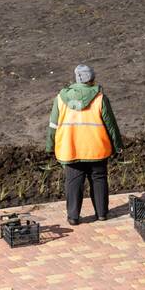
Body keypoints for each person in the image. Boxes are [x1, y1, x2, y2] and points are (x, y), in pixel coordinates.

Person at [46, 65, 122, 225]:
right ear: (92, 78)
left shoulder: (60, 98)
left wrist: (49, 145)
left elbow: (53, 125)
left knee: (73, 182)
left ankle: (73, 217)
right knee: (99, 179)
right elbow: (111, 125)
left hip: (70, 148)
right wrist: (117, 146)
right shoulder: (100, 98)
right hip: (96, 148)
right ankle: (101, 213)